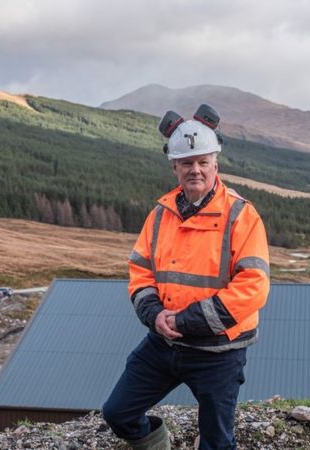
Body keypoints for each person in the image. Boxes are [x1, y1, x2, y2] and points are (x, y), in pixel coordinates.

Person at [102, 104, 271, 449]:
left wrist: (188, 320)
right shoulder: (160, 215)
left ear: (215, 164)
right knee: (118, 413)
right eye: (187, 163)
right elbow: (140, 271)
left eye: (202, 162)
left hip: (219, 352)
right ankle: (157, 442)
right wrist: (154, 314)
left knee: (217, 442)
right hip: (164, 343)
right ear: (175, 167)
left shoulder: (241, 215)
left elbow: (253, 286)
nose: (195, 170)